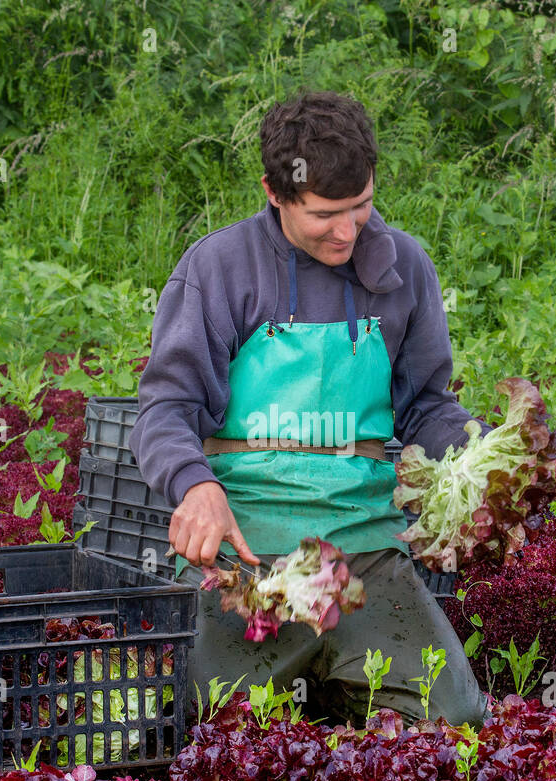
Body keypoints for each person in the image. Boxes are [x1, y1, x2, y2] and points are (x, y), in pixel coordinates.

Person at [132, 90, 491, 728]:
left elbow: (428, 407)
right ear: (275, 192)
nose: (349, 232)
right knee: (214, 732)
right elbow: (166, 407)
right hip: (248, 559)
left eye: (361, 207)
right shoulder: (218, 269)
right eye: (326, 214)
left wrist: (480, 459)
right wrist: (194, 486)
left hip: (366, 552)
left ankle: (342, 674)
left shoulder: (404, 267)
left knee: (454, 725)